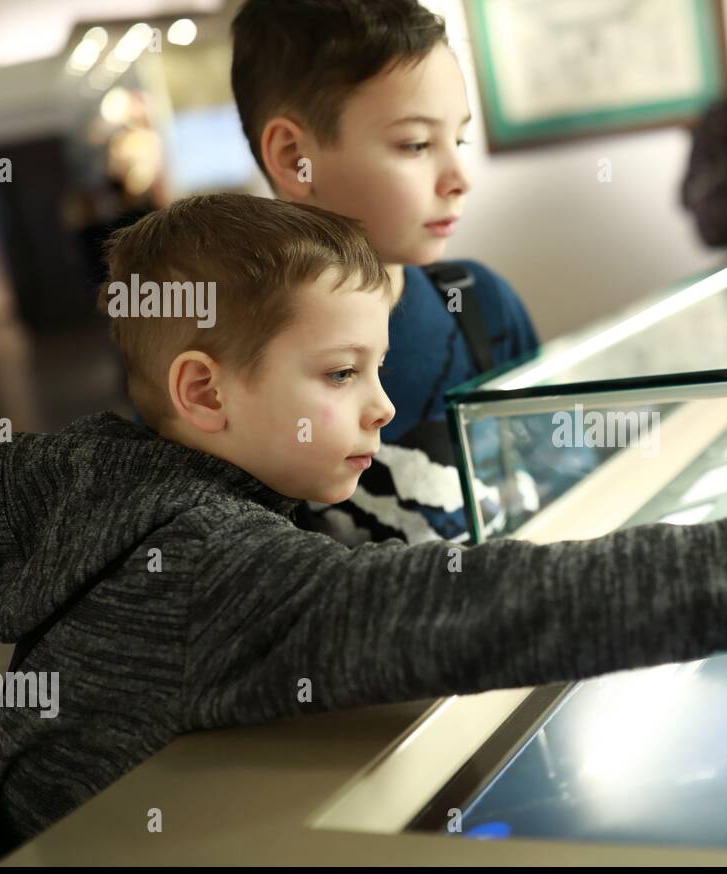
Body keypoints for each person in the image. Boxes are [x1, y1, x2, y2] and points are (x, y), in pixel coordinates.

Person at [0, 193, 727, 858]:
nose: (381, 407)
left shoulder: (123, 478)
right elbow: (474, 606)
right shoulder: (195, 565)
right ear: (204, 393)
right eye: (341, 373)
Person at [230, 0, 541, 545]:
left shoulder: (482, 304)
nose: (458, 178)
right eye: (416, 144)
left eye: (459, 140)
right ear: (293, 155)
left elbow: (564, 473)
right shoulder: (230, 367)